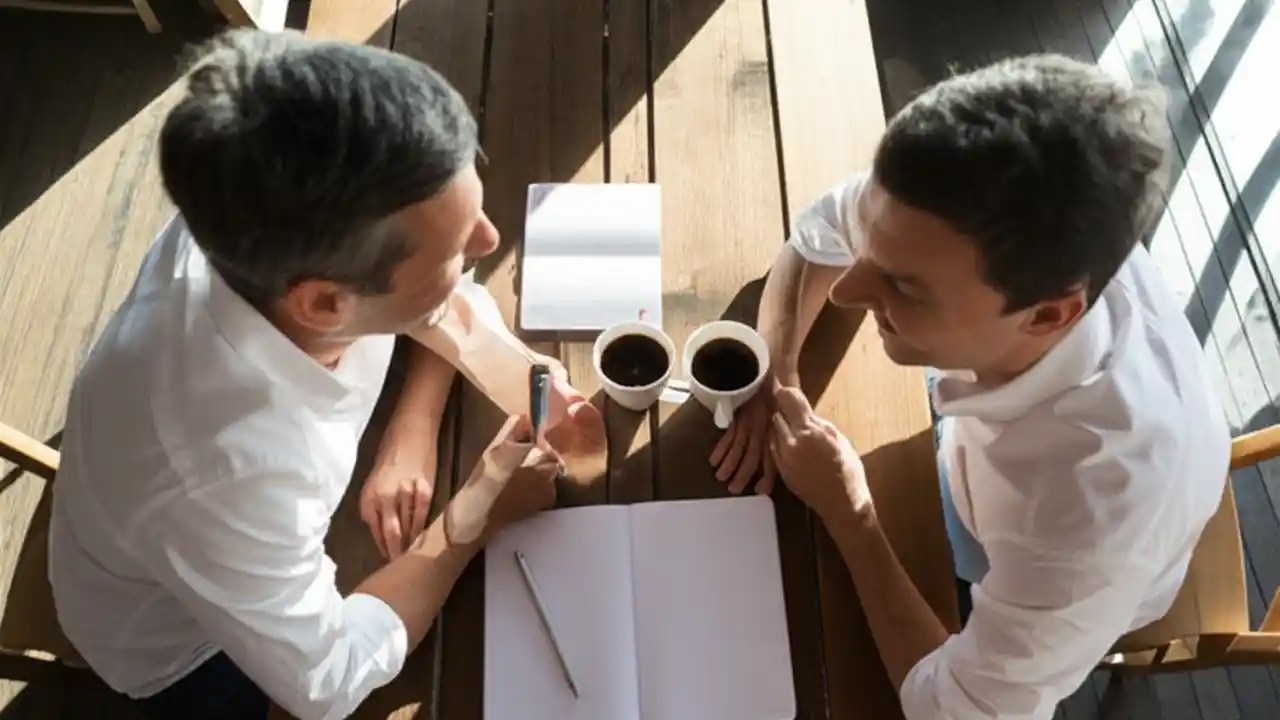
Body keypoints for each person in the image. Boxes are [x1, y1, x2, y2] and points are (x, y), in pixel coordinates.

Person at [48, 29, 600, 720]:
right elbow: (327, 683)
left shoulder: (263, 192)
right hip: (187, 656)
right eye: (459, 249)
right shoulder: (228, 469)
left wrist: (440, 407)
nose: (490, 242)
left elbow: (429, 290)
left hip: (210, 531)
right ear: (325, 303)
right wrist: (479, 511)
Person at [714, 55, 1230, 718]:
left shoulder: (1081, 526)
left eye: (901, 285)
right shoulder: (1006, 228)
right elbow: (822, 229)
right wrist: (777, 372)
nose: (847, 290)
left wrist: (851, 514)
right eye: (873, 252)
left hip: (1052, 577)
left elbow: (951, 711)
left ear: (1048, 315)